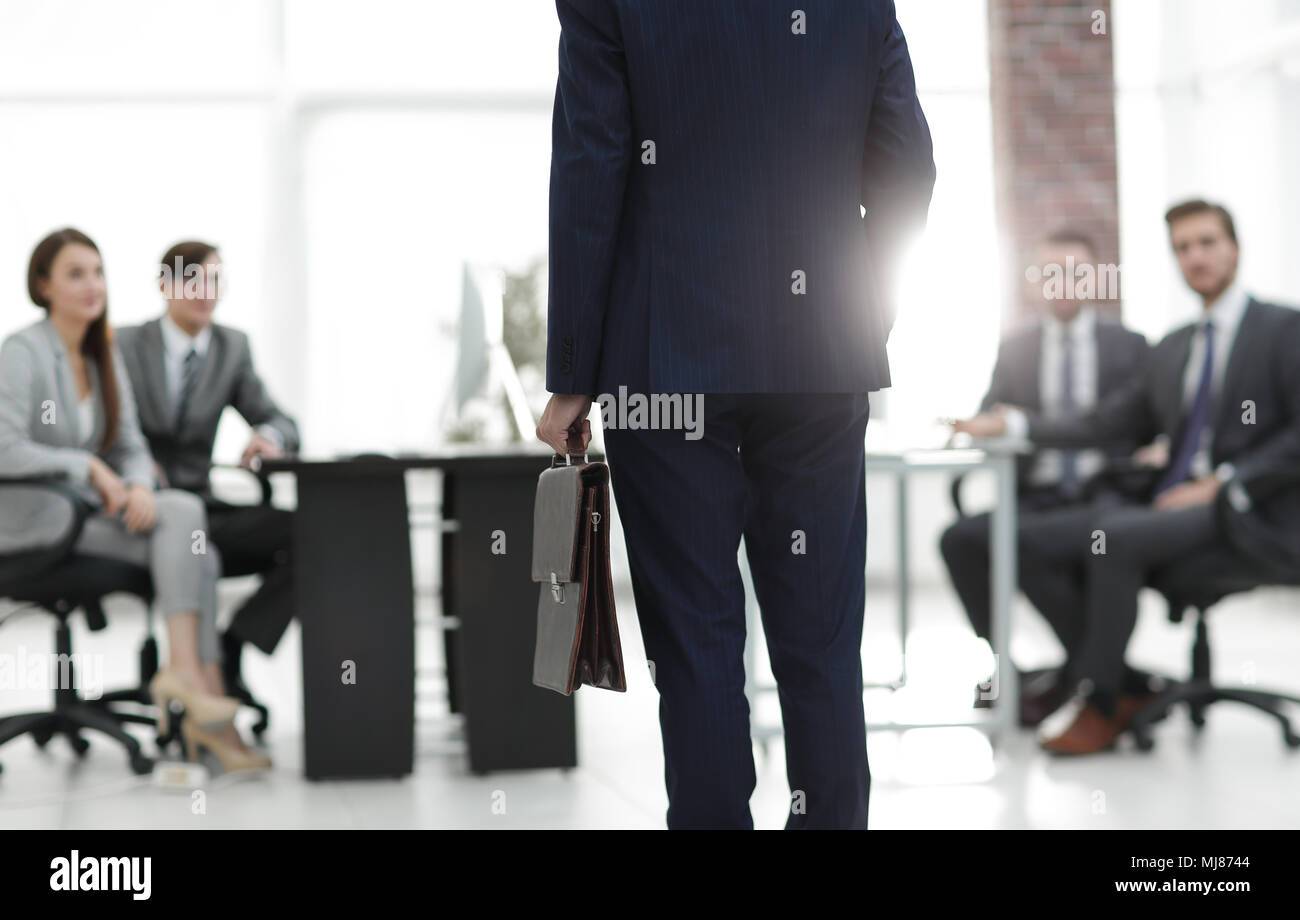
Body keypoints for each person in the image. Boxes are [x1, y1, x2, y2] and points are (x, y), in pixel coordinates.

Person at [536, 0, 935, 828]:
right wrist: (859, 310)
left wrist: (573, 370)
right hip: (820, 356)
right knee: (822, 637)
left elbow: (593, 165)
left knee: (695, 637)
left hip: (663, 358)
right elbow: (906, 169)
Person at [950, 199, 1300, 755]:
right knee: (1027, 537)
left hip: (1249, 510)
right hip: (1171, 505)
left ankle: (1103, 700)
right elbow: (1105, 422)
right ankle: (1114, 681)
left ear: (1234, 247)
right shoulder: (1176, 346)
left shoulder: (1282, 329)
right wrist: (1014, 421)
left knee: (1111, 536)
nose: (1197, 257)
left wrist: (1226, 480)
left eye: (1207, 242)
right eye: (1183, 248)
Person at [0, 228, 266, 772]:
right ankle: (196, 688)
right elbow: (4, 448)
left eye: (98, 272)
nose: (93, 285)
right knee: (189, 523)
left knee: (199, 544)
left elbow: (130, 446)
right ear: (43, 285)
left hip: (87, 516)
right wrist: (89, 467)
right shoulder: (23, 352)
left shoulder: (100, 355)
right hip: (34, 522)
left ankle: (199, 689)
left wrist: (141, 485)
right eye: (76, 274)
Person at [939, 230, 1150, 725]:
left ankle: (1089, 675)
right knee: (961, 540)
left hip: (1107, 494)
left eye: (1075, 272)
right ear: (1035, 281)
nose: (1062, 283)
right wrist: (974, 430)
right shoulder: (1016, 350)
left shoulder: (1132, 346)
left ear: (1094, 278)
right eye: (1048, 273)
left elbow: (1144, 421)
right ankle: (1031, 671)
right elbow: (990, 415)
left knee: (1023, 545)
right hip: (1036, 494)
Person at [116, 241, 298, 704]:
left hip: (204, 508)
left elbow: (281, 419)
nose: (205, 292)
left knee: (312, 533)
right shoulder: (124, 345)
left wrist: (269, 437)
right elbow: (102, 429)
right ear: (164, 286)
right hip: (143, 511)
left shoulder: (231, 348)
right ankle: (199, 676)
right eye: (192, 280)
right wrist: (132, 470)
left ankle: (234, 644)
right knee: (199, 553)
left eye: (214, 281)